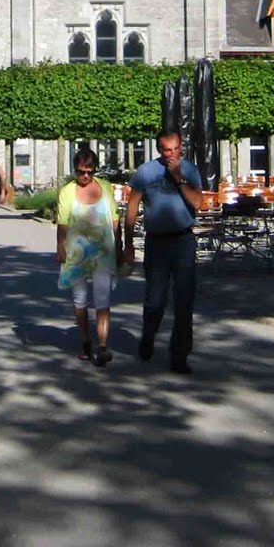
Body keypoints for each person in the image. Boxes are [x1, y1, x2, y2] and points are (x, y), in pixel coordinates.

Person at [123, 129, 202, 375]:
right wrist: (128, 244)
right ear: (159, 150)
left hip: (184, 240)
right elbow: (132, 207)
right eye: (167, 150)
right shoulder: (146, 172)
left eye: (176, 149)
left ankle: (179, 356)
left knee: (184, 301)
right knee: (155, 301)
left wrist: (178, 178)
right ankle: (148, 335)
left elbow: (198, 203)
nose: (172, 154)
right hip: (157, 242)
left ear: (181, 147)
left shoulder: (190, 170)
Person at [56, 146, 119, 365]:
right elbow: (62, 223)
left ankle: (102, 346)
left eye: (90, 172)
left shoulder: (105, 187)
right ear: (75, 170)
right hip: (77, 253)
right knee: (80, 300)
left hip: (103, 251)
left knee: (103, 299)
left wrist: (119, 246)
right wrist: (60, 248)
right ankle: (85, 340)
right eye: (81, 171)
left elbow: (114, 219)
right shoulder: (67, 191)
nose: (85, 176)